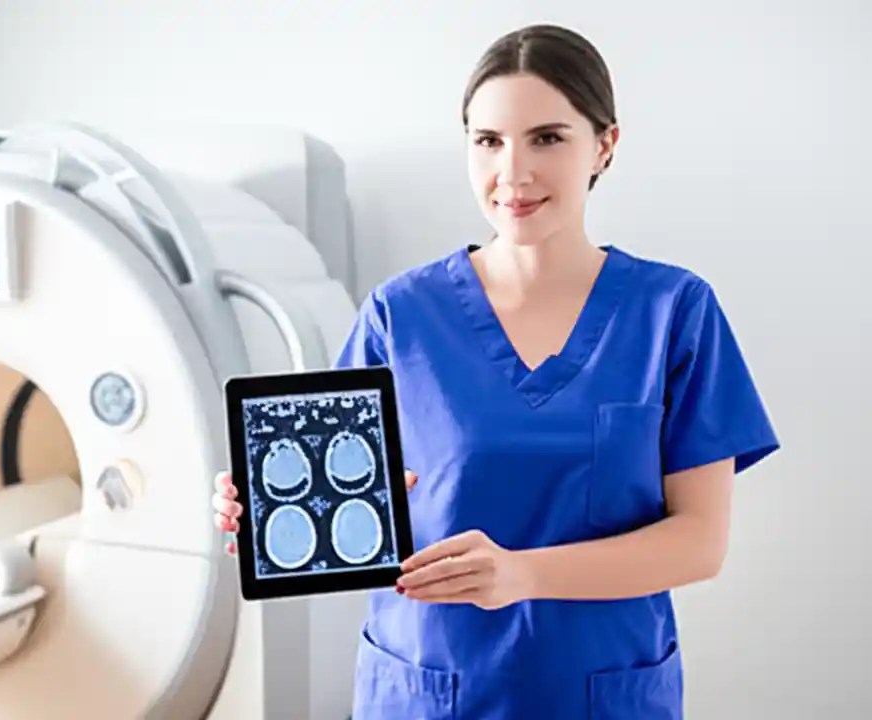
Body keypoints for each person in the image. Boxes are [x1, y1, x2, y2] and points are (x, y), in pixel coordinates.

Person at [211, 23, 778, 719]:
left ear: (604, 144)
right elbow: (350, 509)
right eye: (488, 141)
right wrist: (271, 513)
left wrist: (522, 573)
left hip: (600, 691)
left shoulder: (673, 312)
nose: (513, 173)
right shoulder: (401, 314)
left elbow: (698, 543)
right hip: (431, 686)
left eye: (547, 138)